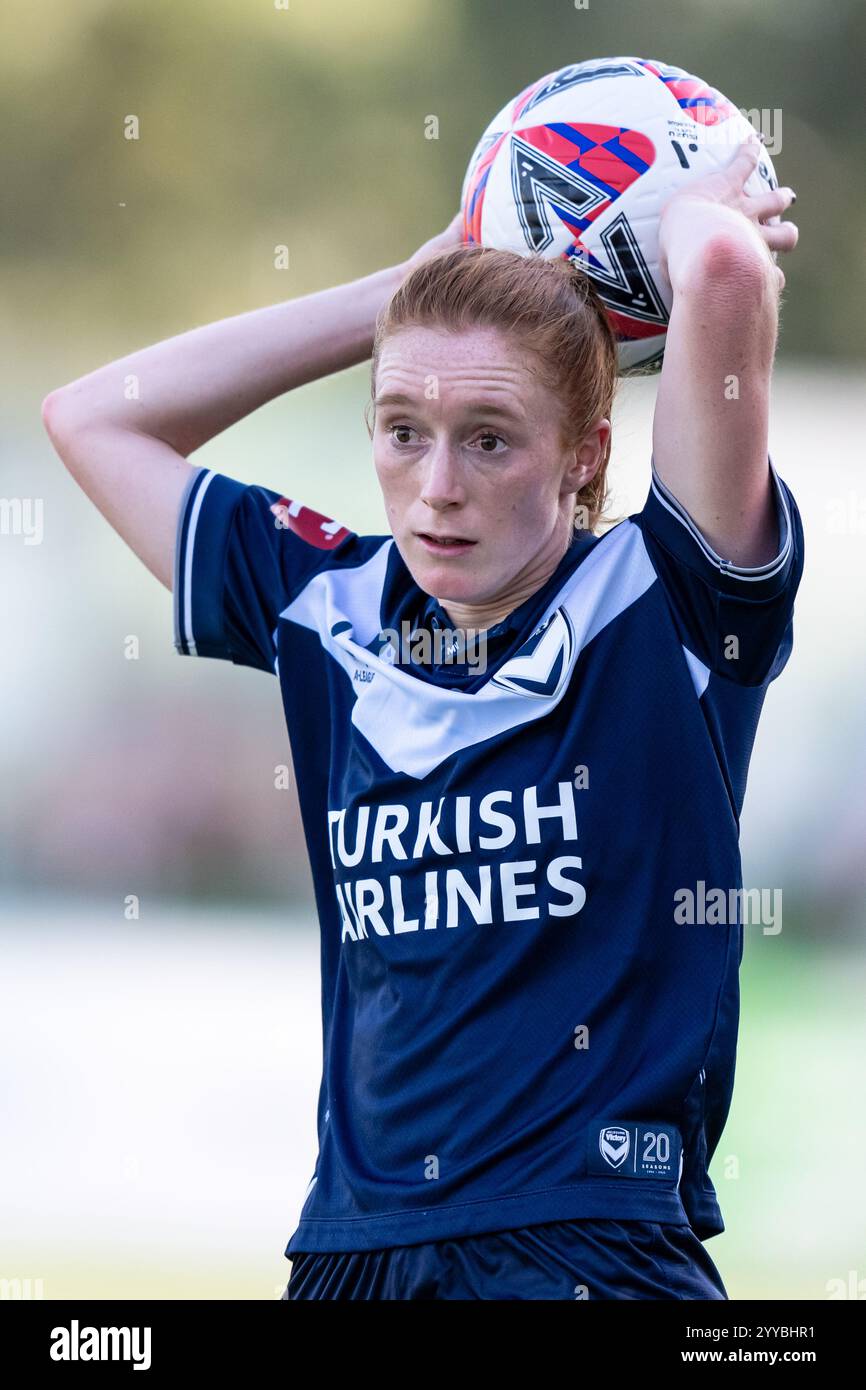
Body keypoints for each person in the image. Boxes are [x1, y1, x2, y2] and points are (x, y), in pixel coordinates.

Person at [42, 134, 801, 1300]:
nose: (436, 485)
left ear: (584, 454)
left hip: (588, 1250)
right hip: (351, 1253)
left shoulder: (667, 603)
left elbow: (725, 280)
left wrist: (695, 206)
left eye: (488, 439)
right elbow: (95, 417)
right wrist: (388, 296)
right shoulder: (324, 605)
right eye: (403, 429)